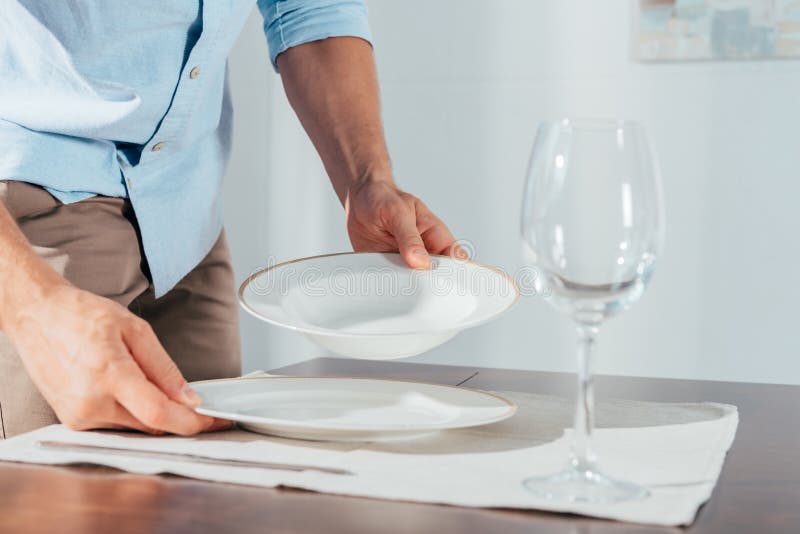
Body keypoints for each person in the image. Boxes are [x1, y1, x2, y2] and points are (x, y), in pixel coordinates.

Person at [0, 1, 463, 439]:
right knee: (56, 504)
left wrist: (366, 179)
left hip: (186, 220)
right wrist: (31, 304)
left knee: (205, 501)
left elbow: (308, 7)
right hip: (32, 228)